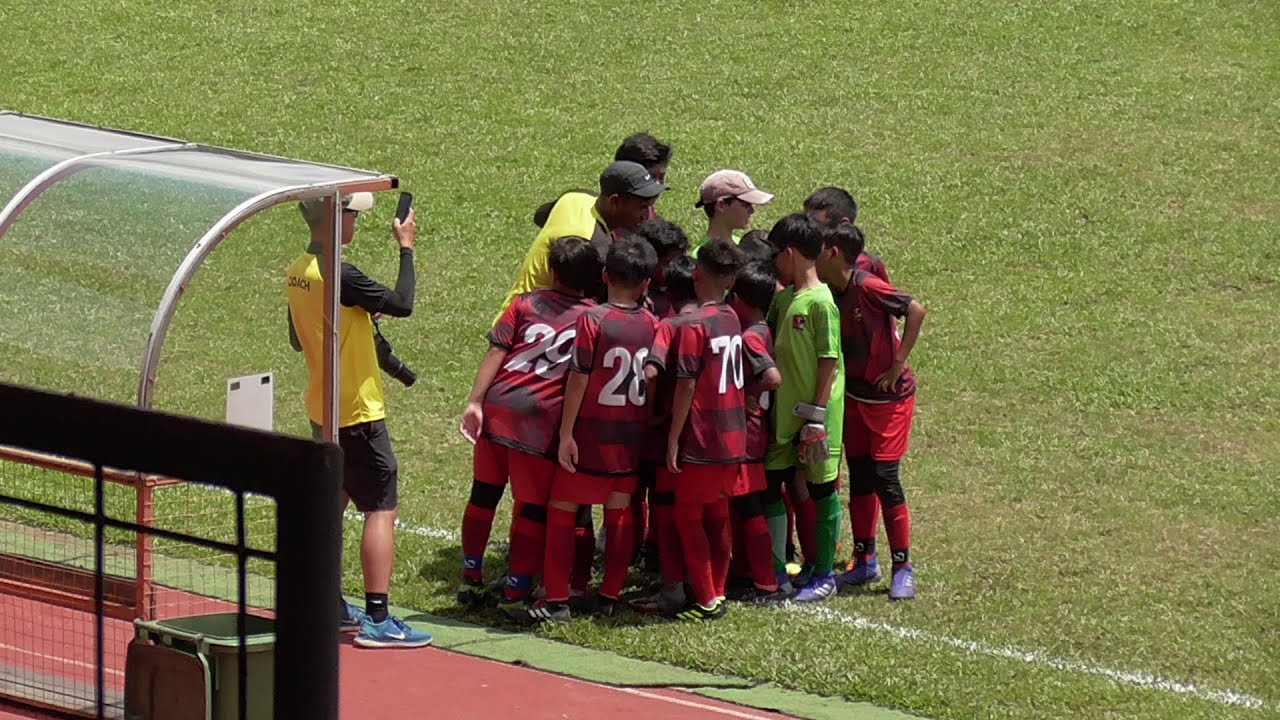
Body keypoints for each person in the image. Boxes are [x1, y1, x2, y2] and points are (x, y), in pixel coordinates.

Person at [285, 192, 432, 648]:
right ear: (334, 218)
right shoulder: (340, 274)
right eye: (352, 215)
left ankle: (325, 602)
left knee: (337, 501)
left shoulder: (297, 271)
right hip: (359, 412)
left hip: (321, 407)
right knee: (381, 506)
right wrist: (406, 247)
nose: (357, 223)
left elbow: (295, 339)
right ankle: (378, 619)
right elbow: (403, 303)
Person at [511, 238, 659, 624]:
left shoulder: (592, 320)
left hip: (591, 434)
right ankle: (609, 595)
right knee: (619, 515)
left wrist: (566, 433)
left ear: (606, 275)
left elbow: (578, 377)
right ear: (646, 283)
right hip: (629, 438)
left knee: (562, 512)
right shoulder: (653, 324)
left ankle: (558, 599)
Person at [456, 237, 602, 608]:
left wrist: (475, 401)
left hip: (498, 406)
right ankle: (516, 591)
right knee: (532, 508)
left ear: (553, 272)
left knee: (483, 495)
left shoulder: (524, 303)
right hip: (539, 421)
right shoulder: (592, 317)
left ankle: (470, 578)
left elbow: (496, 349)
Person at [817, 225, 927, 601]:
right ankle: (864, 559)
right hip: (856, 397)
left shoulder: (867, 286)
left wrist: (897, 364)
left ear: (832, 253)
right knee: (861, 474)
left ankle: (903, 567)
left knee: (886, 477)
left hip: (889, 400)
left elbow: (915, 309)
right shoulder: (830, 289)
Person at [763, 214, 845, 604]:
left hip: (815, 416)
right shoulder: (784, 299)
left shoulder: (821, 303)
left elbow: (829, 359)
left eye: (777, 254)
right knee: (771, 484)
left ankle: (825, 571)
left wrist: (816, 414)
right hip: (781, 415)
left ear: (790, 253)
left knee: (821, 489)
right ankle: (778, 569)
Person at [664, 241, 747, 621]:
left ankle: (707, 597)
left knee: (688, 514)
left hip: (702, 434)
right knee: (717, 512)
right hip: (734, 435)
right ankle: (719, 590)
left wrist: (673, 438)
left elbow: (685, 385)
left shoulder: (694, 325)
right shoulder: (731, 316)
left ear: (697, 275)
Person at [499, 161, 666, 321]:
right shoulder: (593, 247)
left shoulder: (576, 197)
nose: (646, 216)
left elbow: (540, 216)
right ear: (614, 202)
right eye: (642, 207)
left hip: (514, 313)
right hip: (533, 328)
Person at [628, 256, 699, 613]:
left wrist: (654, 411)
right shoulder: (720, 321)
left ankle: (673, 584)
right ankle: (702, 582)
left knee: (667, 510)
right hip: (706, 433)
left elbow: (652, 374)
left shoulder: (670, 325)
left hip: (671, 433)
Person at [725, 262, 785, 601]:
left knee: (749, 507)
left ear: (739, 299)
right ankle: (746, 572)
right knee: (744, 506)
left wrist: (746, 395)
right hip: (756, 432)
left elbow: (772, 378)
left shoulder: (750, 337)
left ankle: (765, 583)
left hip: (748, 435)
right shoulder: (765, 329)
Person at [803, 186, 889, 281]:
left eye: (816, 225)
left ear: (843, 224)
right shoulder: (801, 258)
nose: (808, 230)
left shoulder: (868, 265)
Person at [691, 170, 774, 257]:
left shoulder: (743, 244)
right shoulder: (702, 258)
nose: (752, 211)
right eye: (746, 204)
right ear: (721, 205)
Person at [635, 218, 691, 319]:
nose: (676, 267)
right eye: (668, 262)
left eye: (679, 261)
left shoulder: (683, 287)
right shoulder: (638, 299)